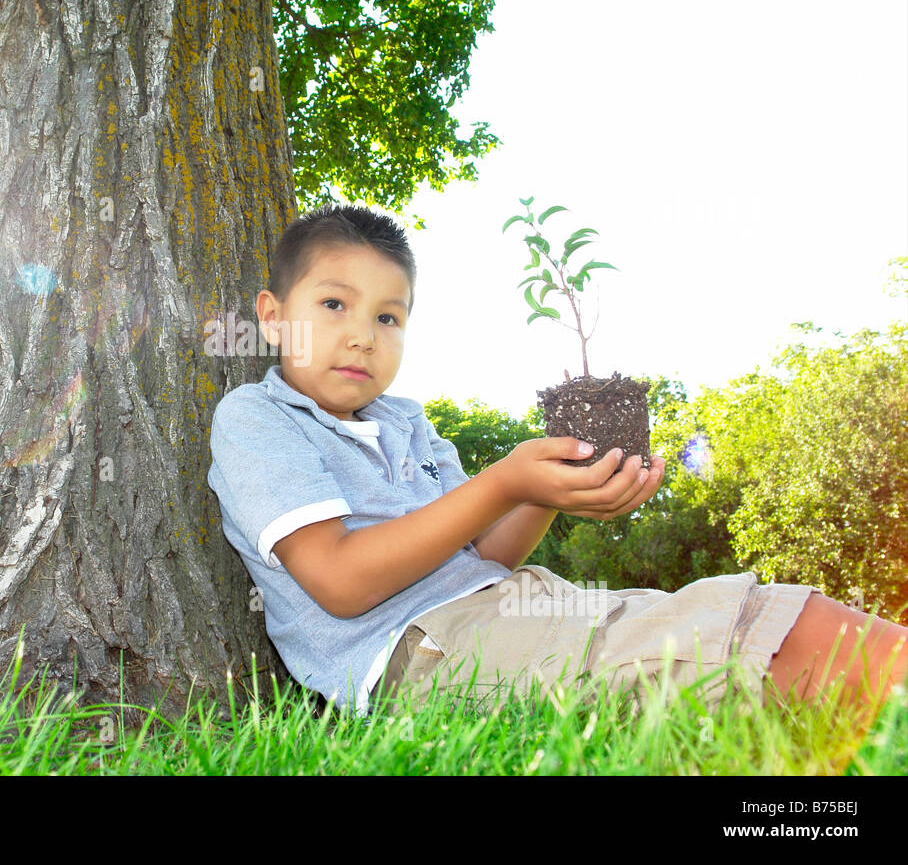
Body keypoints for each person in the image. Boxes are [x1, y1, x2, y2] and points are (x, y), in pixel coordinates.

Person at [206, 203, 908, 726]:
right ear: (274, 316)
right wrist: (504, 481)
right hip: (421, 652)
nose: (362, 335)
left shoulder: (405, 421)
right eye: (333, 305)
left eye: (389, 318)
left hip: (519, 604)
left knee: (780, 612)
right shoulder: (257, 419)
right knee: (743, 650)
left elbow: (487, 553)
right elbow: (339, 582)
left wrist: (547, 492)